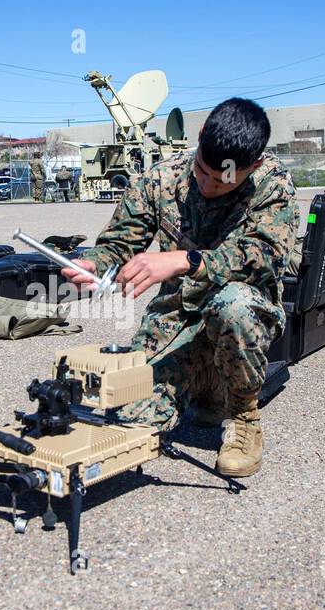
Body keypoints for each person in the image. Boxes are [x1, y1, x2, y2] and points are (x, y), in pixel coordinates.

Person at [61, 98, 300, 478]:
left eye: (223, 181)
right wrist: (96, 263)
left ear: (253, 166)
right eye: (202, 172)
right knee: (131, 416)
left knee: (233, 305)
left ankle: (243, 416)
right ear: (200, 136)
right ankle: (207, 380)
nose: (208, 186)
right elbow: (120, 244)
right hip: (176, 315)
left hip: (242, 311)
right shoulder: (160, 178)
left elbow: (266, 257)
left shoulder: (271, 182)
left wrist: (187, 260)